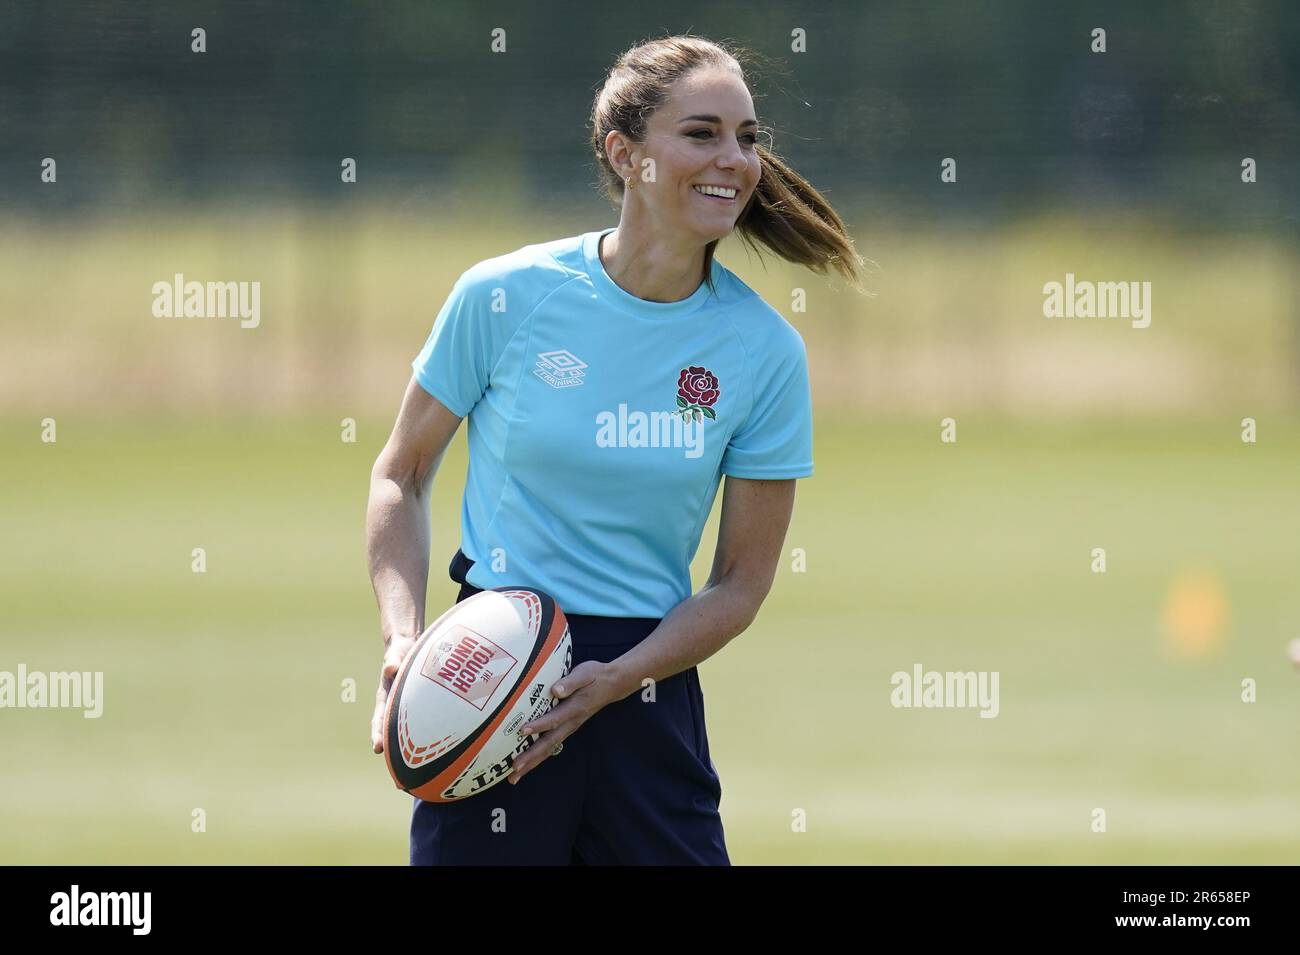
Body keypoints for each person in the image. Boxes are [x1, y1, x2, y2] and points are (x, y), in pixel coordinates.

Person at [365, 34, 863, 865]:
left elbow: (741, 580)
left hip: (647, 691)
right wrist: (401, 639)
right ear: (624, 153)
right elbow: (400, 473)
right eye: (702, 133)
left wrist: (622, 675)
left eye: (748, 136)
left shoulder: (765, 350)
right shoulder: (503, 295)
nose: (735, 159)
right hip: (491, 675)